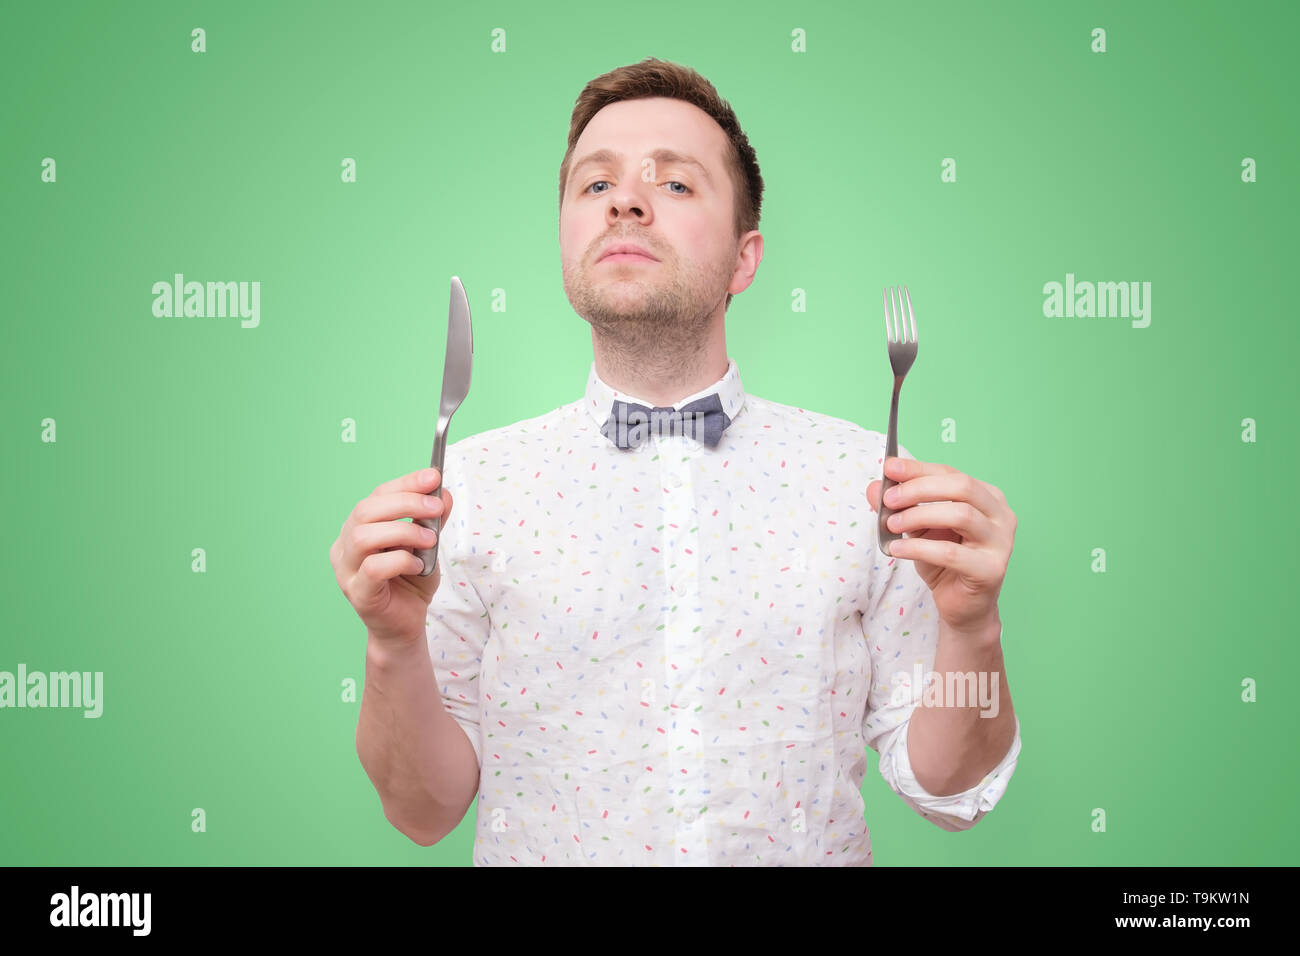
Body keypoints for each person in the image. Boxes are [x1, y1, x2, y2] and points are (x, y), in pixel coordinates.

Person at [330, 57, 1022, 866]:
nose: (624, 201)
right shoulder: (468, 492)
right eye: (596, 184)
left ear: (744, 259)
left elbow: (949, 791)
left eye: (676, 184)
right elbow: (424, 812)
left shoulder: (869, 482)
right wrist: (391, 645)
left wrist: (974, 626)